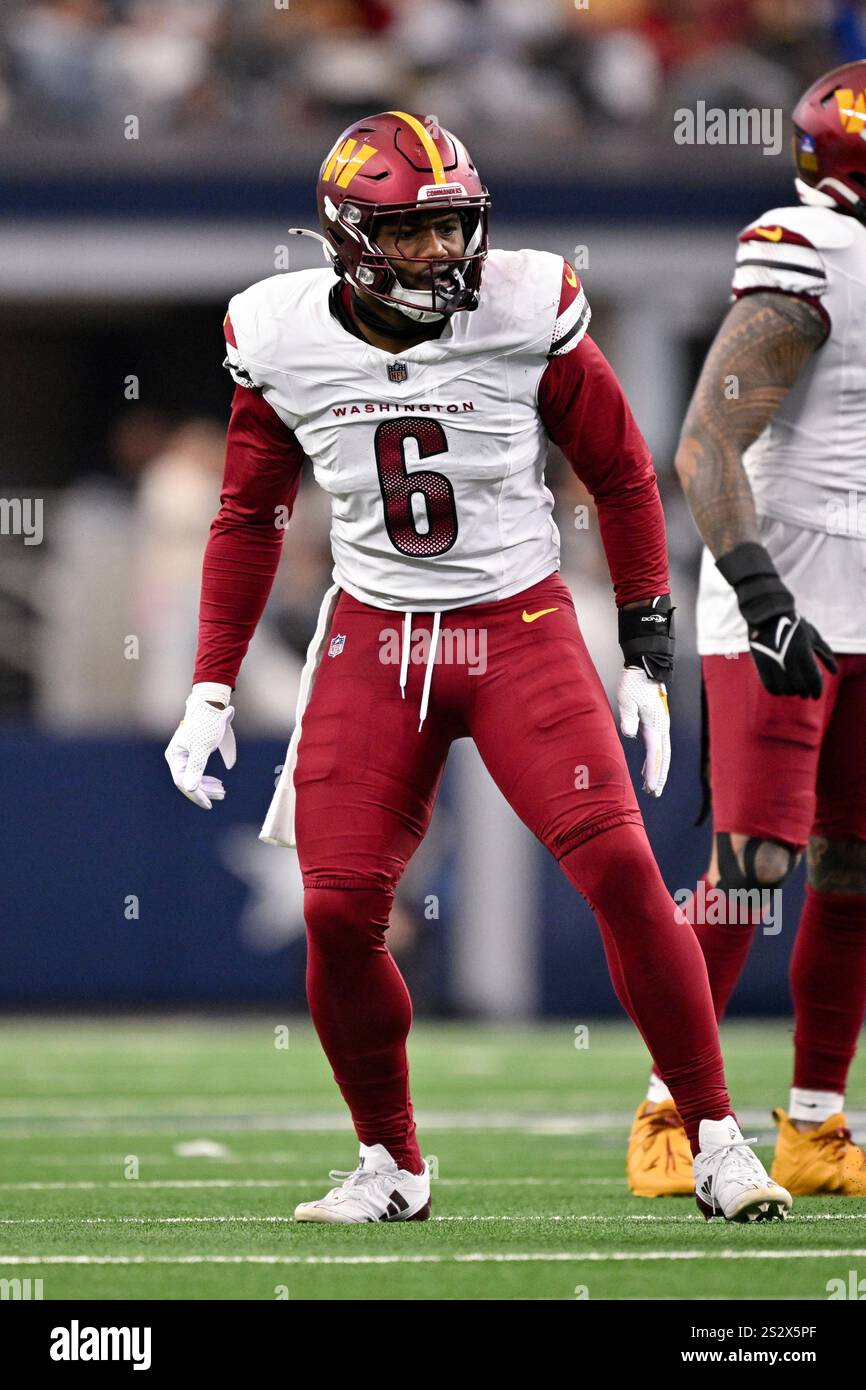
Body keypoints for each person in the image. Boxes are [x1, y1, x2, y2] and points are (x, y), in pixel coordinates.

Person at [166, 109, 791, 1223]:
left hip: (517, 625)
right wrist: (211, 683)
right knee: (336, 908)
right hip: (374, 634)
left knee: (617, 868)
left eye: (454, 229)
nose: (442, 254)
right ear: (348, 237)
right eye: (412, 235)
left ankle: (711, 1136)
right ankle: (392, 1164)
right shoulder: (274, 331)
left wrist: (644, 644)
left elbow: (619, 473)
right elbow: (249, 513)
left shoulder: (523, 305)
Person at [627, 65, 866, 1200]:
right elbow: (702, 449)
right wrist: (763, 596)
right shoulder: (806, 253)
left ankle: (815, 1128)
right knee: (753, 859)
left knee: (855, 866)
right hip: (787, 582)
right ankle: (669, 1108)